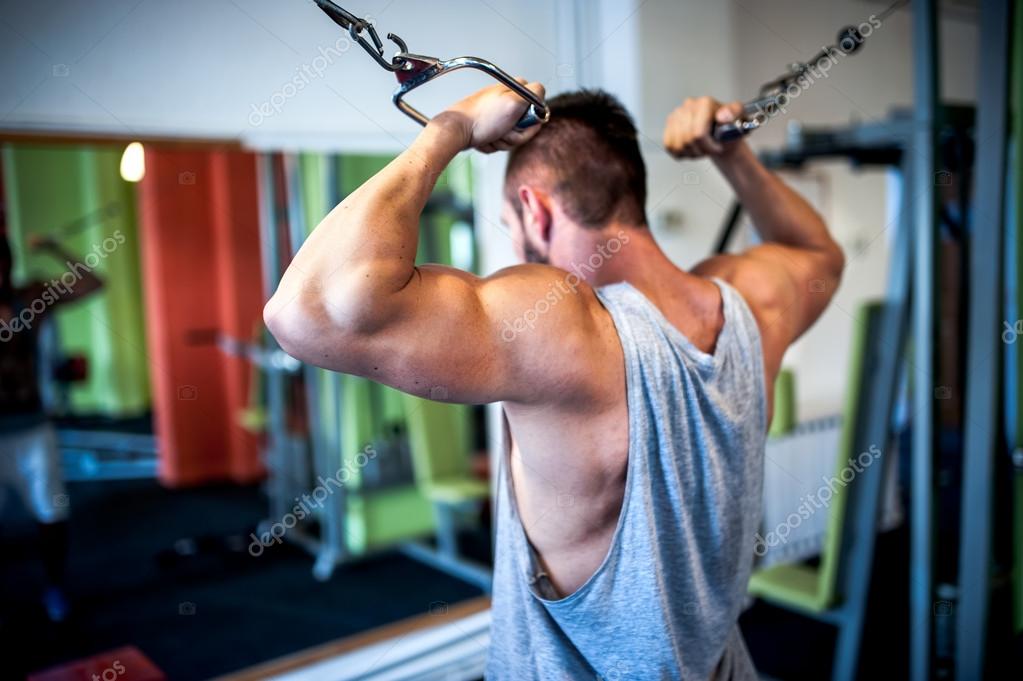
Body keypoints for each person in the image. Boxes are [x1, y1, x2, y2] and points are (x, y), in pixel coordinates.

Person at [264, 83, 844, 679]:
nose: (518, 243)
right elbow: (817, 250)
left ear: (535, 210)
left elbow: (306, 311)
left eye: (513, 223)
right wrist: (732, 154)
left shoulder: (561, 324)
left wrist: (452, 127)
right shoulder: (749, 304)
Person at [0, 230, 103, 623]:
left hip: (32, 428)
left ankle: (55, 587)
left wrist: (54, 247)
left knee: (52, 513)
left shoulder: (30, 298)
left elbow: (93, 283)